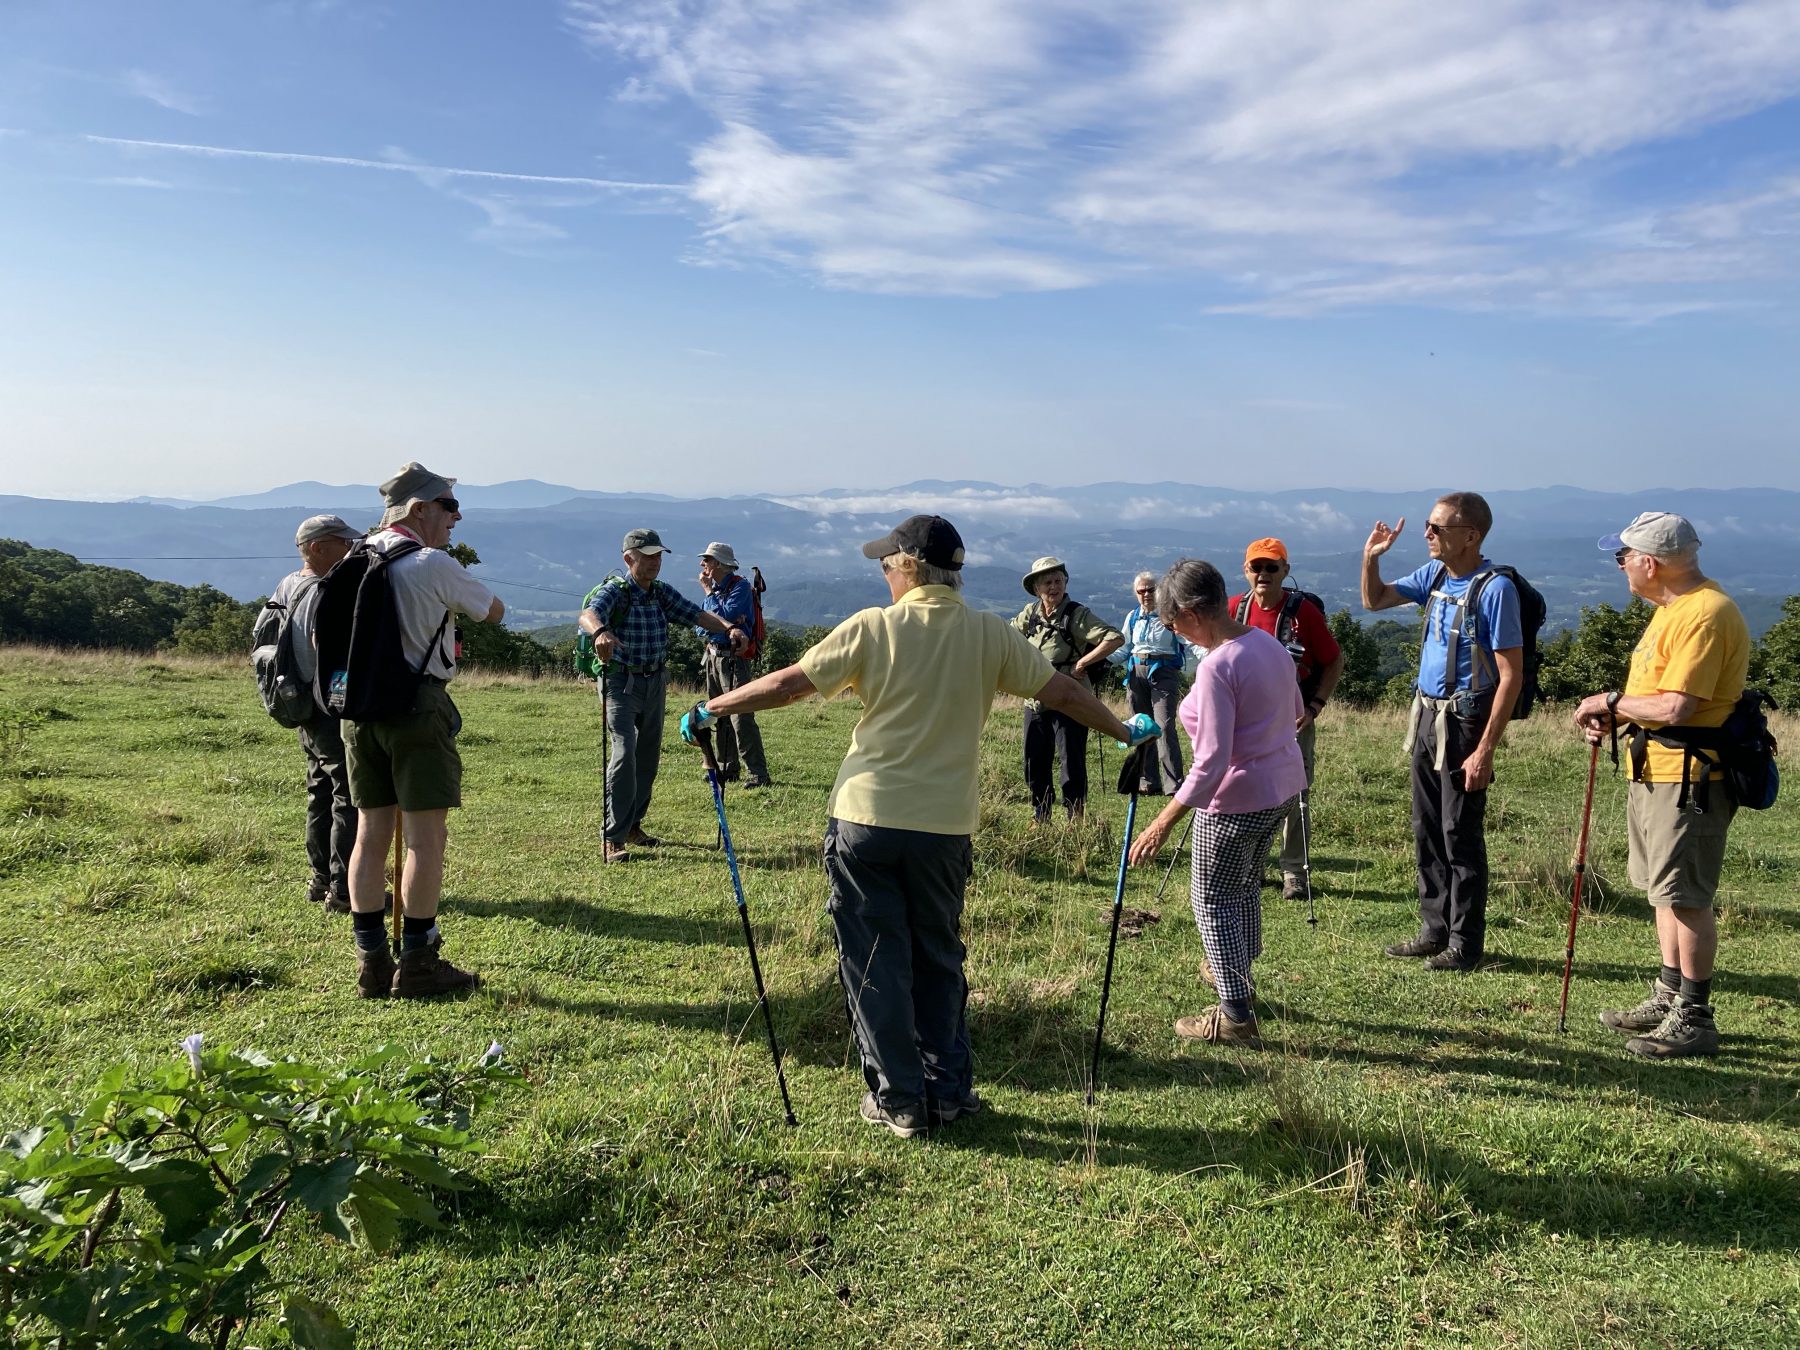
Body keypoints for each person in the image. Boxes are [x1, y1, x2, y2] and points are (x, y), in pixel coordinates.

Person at [677, 515, 1156, 1137]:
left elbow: (791, 684)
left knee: (875, 960)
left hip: (865, 818)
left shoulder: (874, 627)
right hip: (945, 825)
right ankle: (950, 1092)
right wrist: (1123, 730)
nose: (883, 574)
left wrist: (711, 706)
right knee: (938, 954)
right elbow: (1061, 692)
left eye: (885, 565)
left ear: (907, 568)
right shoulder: (989, 634)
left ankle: (899, 1099)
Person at [1573, 512, 1749, 1059]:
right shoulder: (1672, 610)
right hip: (1657, 771)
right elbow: (1656, 698)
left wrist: (1610, 704)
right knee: (1664, 892)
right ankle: (1670, 994)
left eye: (1621, 557)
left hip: (1689, 778)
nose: (1620, 566)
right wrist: (1622, 715)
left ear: (1648, 563)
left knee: (1687, 897)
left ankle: (1694, 1017)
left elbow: (1677, 706)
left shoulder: (1705, 614)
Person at [1127, 559, 1306, 1048]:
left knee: (1211, 901)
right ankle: (1236, 972)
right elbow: (1295, 714)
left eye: (1172, 624)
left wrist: (1162, 822)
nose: (1175, 634)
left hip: (1235, 800)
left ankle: (1235, 1016)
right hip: (1282, 788)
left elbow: (1210, 763)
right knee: (1244, 884)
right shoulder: (1270, 645)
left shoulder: (1217, 667)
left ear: (1190, 613)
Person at [342, 463, 502, 998]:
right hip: (417, 707)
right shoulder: (431, 563)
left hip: (359, 714)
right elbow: (493, 612)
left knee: (369, 833)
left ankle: (370, 960)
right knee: (425, 839)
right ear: (419, 510)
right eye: (448, 507)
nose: (456, 518)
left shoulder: (353, 557)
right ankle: (417, 961)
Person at [1362, 492, 1522, 973]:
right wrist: (1370, 559)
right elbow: (1375, 601)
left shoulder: (1495, 590)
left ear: (1470, 536)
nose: (1427, 534)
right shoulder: (1435, 576)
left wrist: (1485, 750)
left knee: (1460, 831)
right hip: (1427, 715)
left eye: (1438, 527)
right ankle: (1434, 930)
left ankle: (1464, 942)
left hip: (1466, 719)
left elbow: (1510, 673)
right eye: (1428, 526)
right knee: (1427, 825)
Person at [579, 529, 747, 862]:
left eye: (659, 556)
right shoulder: (617, 591)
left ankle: (632, 826)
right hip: (620, 683)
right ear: (629, 559)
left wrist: (728, 628)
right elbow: (587, 614)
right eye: (648, 556)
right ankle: (612, 837)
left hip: (655, 681)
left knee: (648, 758)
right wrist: (599, 631)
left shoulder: (660, 593)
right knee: (624, 755)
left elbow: (695, 614)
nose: (656, 562)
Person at [1228, 539, 1345, 900]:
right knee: (1247, 789)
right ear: (1246, 570)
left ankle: (1294, 869)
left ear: (1285, 571)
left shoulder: (1303, 613)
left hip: (1295, 720)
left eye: (1272, 567)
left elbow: (1334, 660)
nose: (1263, 574)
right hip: (1245, 721)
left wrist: (1315, 708)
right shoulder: (1233, 609)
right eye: (1256, 567)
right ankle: (1252, 864)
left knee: (1295, 793)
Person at [267, 514, 364, 912]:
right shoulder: (327, 589)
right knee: (349, 794)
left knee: (319, 790)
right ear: (317, 547)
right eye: (343, 542)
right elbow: (329, 651)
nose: (351, 549)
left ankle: (319, 878)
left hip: (299, 701)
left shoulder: (287, 584)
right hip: (328, 704)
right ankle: (343, 890)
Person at [1012, 557, 1124, 820]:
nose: (1054, 587)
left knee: (1071, 761)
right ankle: (1041, 815)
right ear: (1037, 588)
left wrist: (1082, 662)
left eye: (1058, 581)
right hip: (1035, 698)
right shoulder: (1030, 614)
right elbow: (1008, 637)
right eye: (1048, 582)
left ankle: (1076, 817)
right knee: (1034, 760)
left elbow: (1114, 637)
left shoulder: (1076, 614)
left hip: (1070, 701)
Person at [696, 542, 770, 789]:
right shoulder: (719, 589)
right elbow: (700, 624)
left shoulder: (739, 588)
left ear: (718, 563)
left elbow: (723, 617)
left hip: (733, 658)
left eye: (706, 560)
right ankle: (727, 767)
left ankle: (758, 774)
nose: (702, 564)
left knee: (741, 714)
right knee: (717, 712)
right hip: (714, 655)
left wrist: (709, 598)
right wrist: (719, 619)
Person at [1120, 571, 1192, 796]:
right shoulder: (1133, 616)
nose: (1146, 594)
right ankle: (1147, 781)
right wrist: (1096, 661)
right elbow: (1123, 647)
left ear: (1159, 590)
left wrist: (1212, 657)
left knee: (1164, 726)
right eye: (1141, 591)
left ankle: (1174, 784)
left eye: (1150, 589)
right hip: (1135, 673)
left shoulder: (1169, 615)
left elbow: (1188, 639)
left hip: (1162, 673)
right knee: (1141, 726)